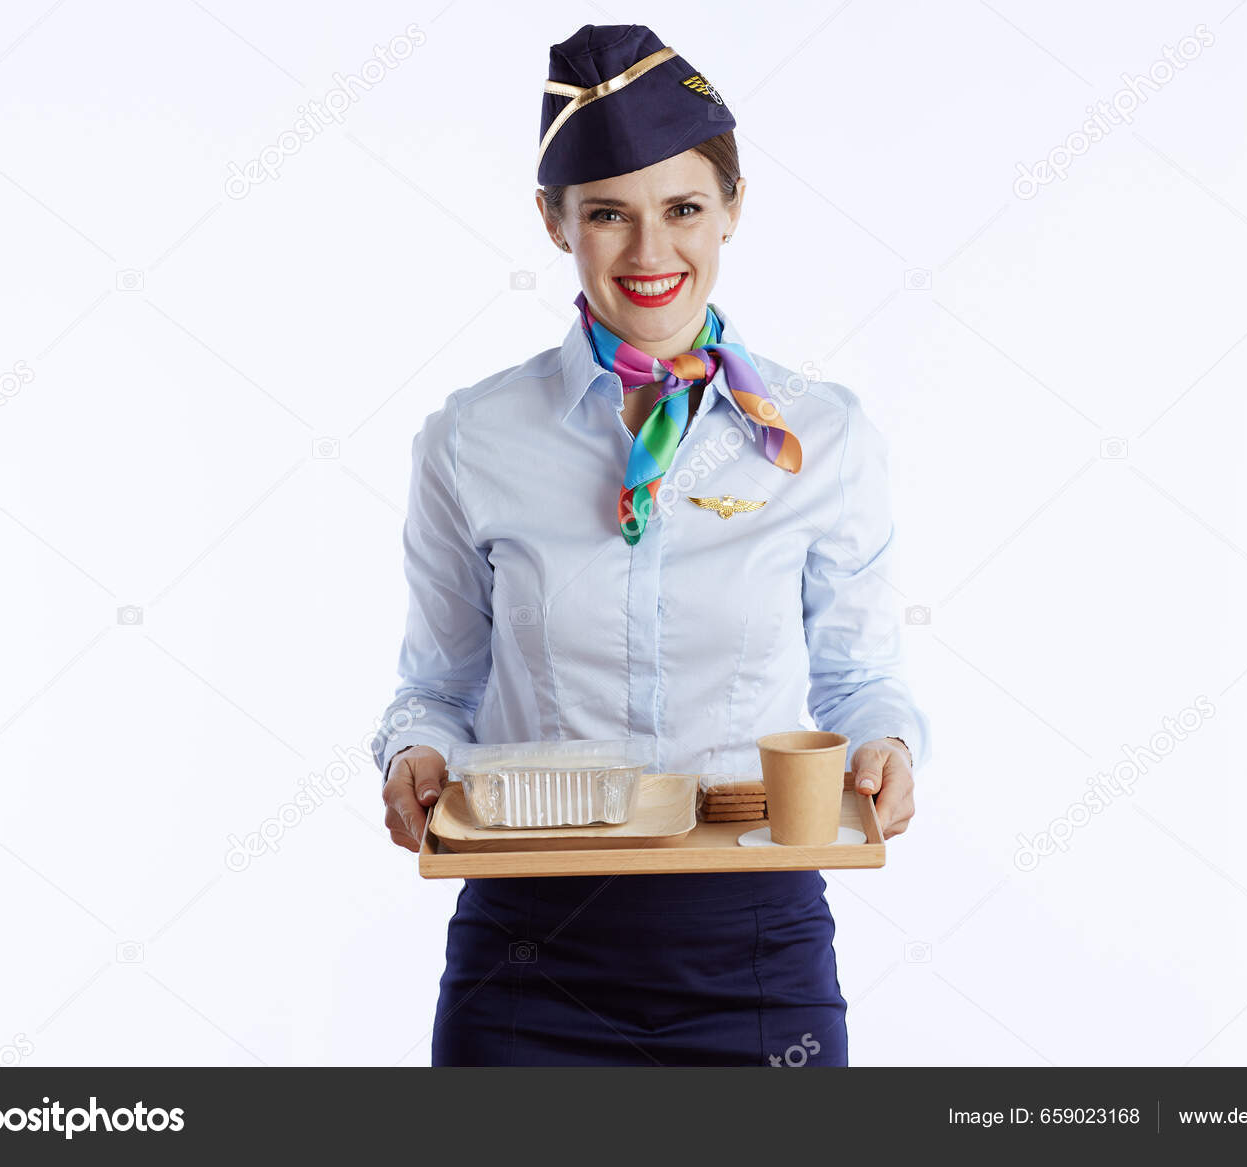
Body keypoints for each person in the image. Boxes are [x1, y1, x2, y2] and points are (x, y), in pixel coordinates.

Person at [373, 23, 931, 1067]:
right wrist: (413, 756)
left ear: (732, 208)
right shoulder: (470, 440)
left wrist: (888, 746)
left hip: (757, 954)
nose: (649, 254)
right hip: (526, 961)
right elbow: (436, 686)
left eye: (682, 209)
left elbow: (858, 680)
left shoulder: (823, 437)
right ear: (554, 223)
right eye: (606, 216)